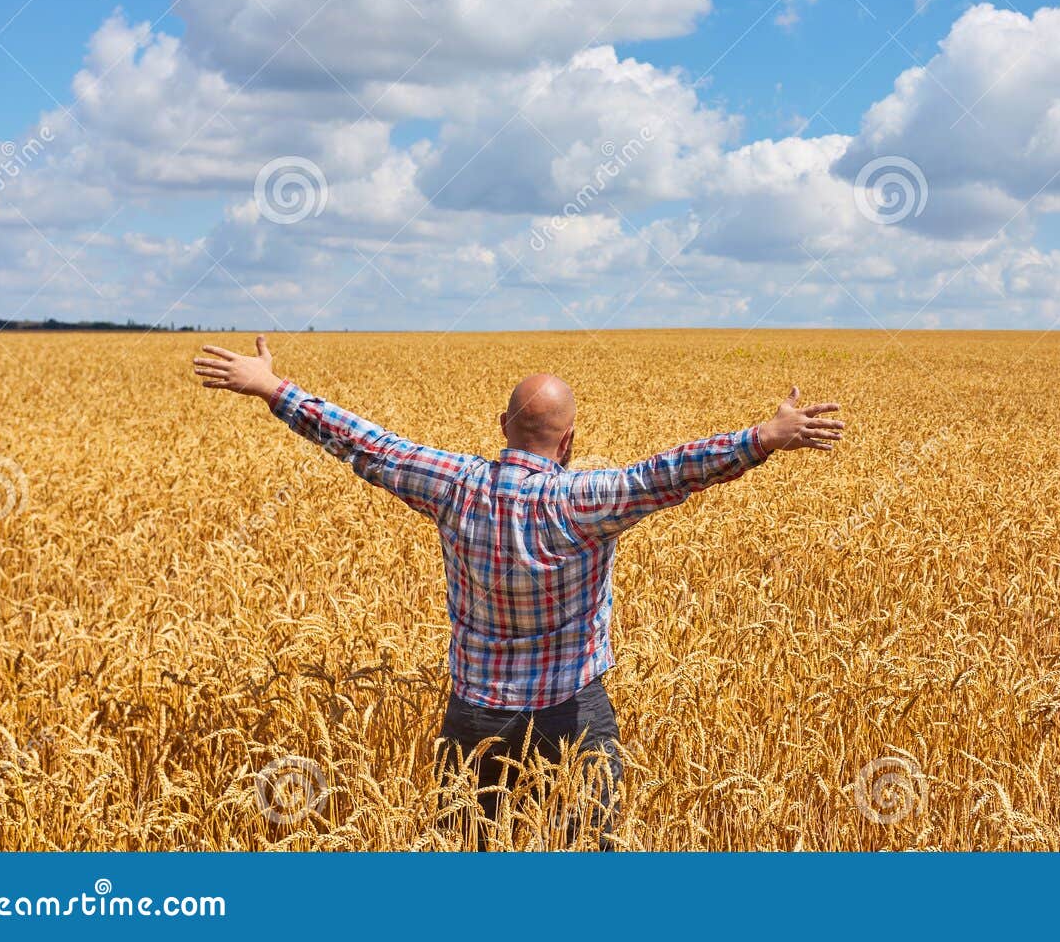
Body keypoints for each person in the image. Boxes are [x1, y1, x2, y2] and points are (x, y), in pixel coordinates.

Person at [192, 335, 844, 847]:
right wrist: (765, 436)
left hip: (475, 716)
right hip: (572, 714)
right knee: (591, 857)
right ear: (570, 442)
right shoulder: (584, 498)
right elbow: (670, 472)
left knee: (466, 858)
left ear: (502, 424)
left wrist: (273, 387)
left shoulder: (451, 483)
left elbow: (365, 443)